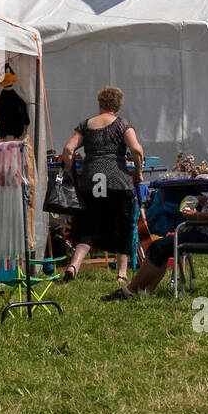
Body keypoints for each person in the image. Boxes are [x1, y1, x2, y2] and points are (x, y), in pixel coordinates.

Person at [104, 131, 208, 301]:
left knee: (158, 247)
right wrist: (206, 202)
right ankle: (144, 293)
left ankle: (128, 292)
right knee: (163, 248)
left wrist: (195, 217)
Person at [59, 86, 145, 283]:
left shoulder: (86, 125)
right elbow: (136, 150)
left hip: (90, 181)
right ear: (118, 105)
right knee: (121, 227)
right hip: (117, 181)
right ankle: (121, 275)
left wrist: (70, 173)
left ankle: (73, 266)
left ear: (100, 103)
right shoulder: (122, 125)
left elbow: (68, 149)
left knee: (88, 227)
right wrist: (138, 172)